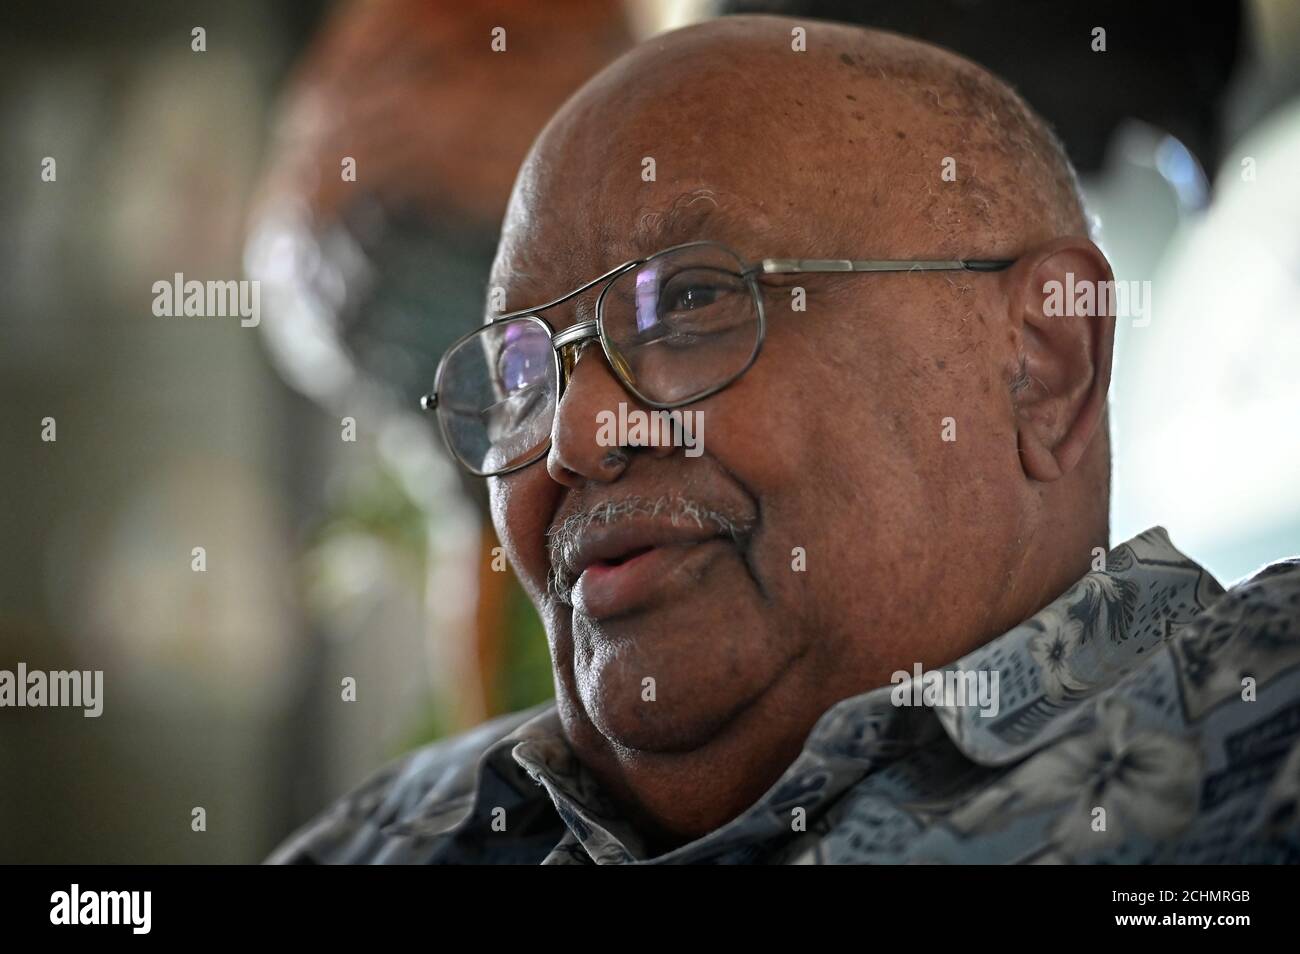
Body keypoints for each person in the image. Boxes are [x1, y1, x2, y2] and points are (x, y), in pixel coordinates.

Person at [266, 15, 1300, 864]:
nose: (574, 438)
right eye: (522, 374)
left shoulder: (1257, 741)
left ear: (1044, 363)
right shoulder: (385, 839)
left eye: (692, 302)